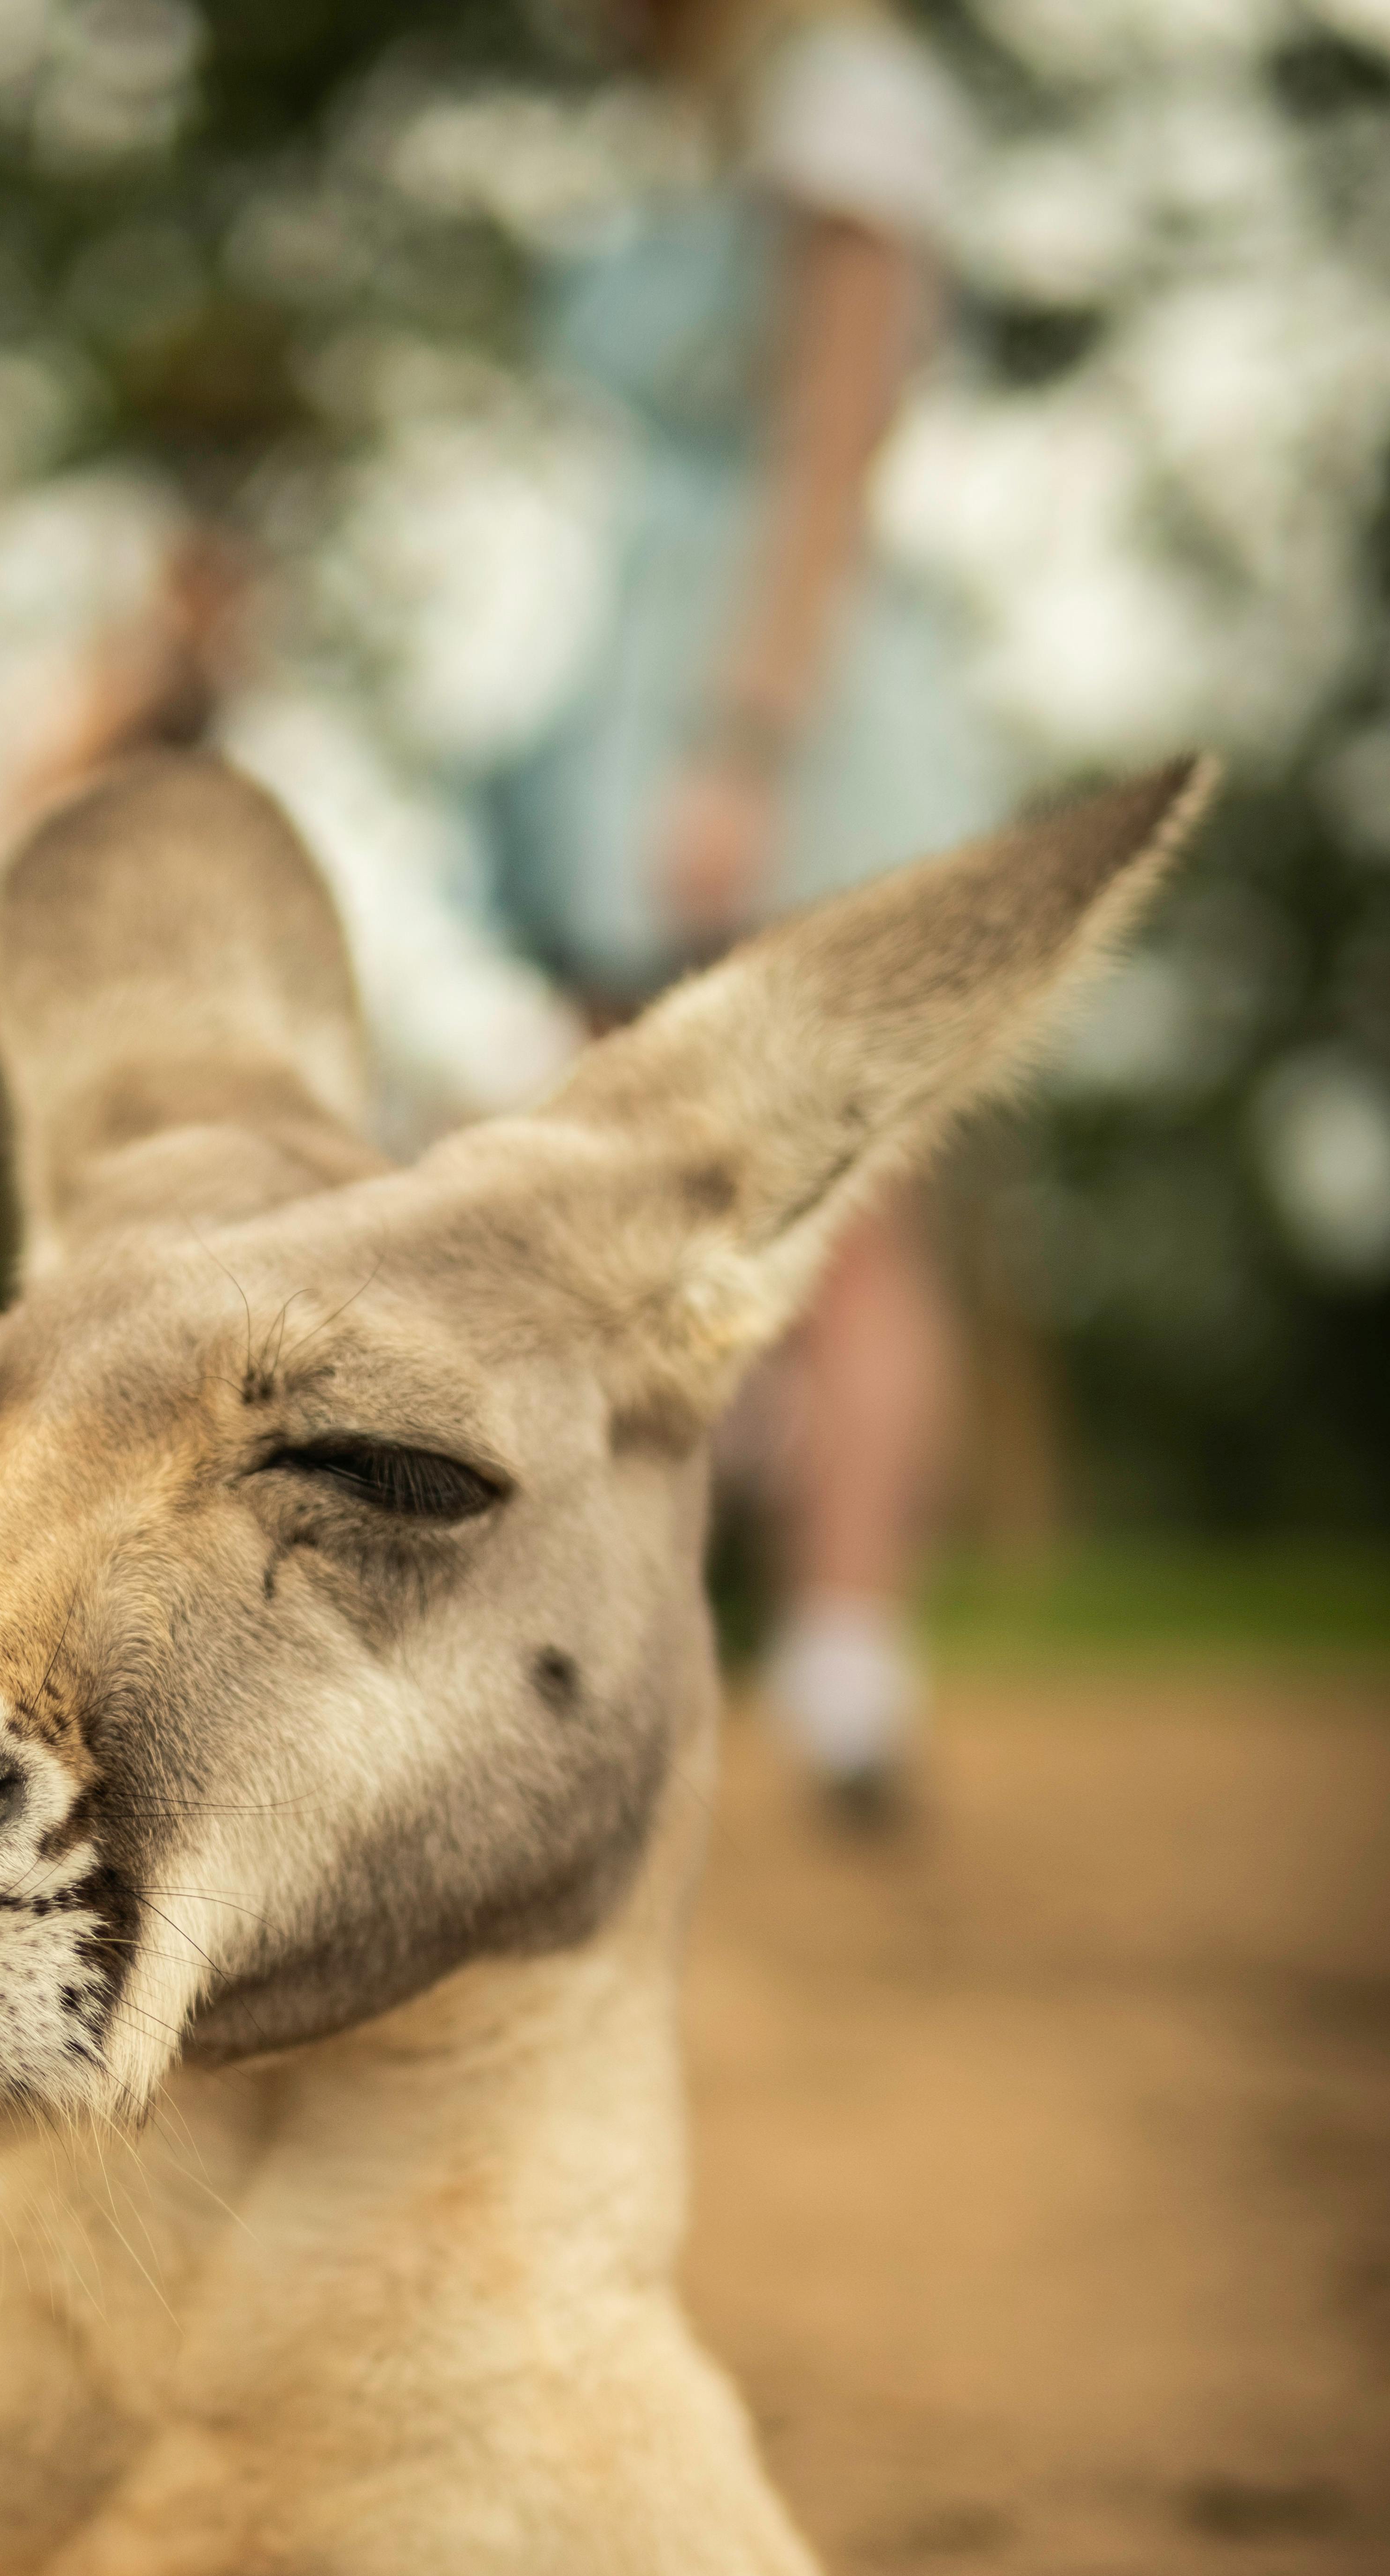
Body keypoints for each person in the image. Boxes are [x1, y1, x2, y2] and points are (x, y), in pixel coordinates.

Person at [489, 0, 1002, 1817]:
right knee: (618, 1190)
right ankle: (607, 1643)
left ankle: (848, 1663)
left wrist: (744, 746)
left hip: (784, 704)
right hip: (636, 687)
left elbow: (830, 449)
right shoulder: (682, 145)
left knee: (845, 1210)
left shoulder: (846, 104)